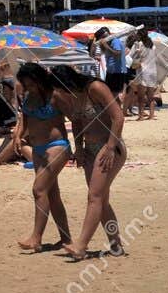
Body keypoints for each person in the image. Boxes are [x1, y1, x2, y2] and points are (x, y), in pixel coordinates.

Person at [50, 66, 127, 261]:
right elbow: (76, 122)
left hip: (110, 147)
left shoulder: (96, 88)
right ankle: (116, 244)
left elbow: (118, 116)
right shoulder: (73, 96)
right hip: (89, 150)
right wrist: (79, 148)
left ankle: (81, 246)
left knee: (94, 196)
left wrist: (110, 147)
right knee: (101, 200)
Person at [14, 62, 73, 253]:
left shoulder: (55, 95)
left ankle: (36, 238)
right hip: (38, 149)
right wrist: (18, 135)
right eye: (26, 85)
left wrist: (79, 147)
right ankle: (66, 239)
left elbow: (76, 118)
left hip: (57, 146)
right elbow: (24, 120)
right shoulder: (29, 97)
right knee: (52, 194)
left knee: (38, 189)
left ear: (40, 80)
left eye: (32, 84)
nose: (29, 88)